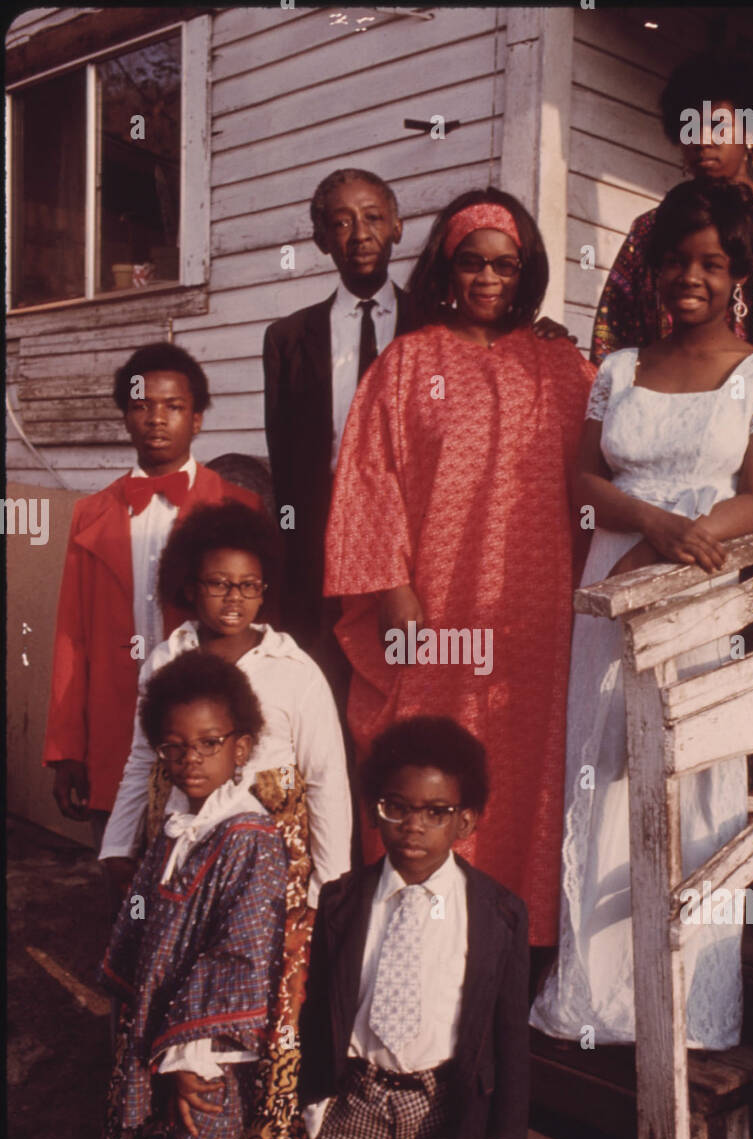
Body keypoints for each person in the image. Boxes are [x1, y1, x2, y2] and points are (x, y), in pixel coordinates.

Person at [530, 181, 753, 1050]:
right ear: (653, 270)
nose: (692, 276)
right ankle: (593, 1001)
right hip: (614, 580)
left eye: (712, 263)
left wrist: (682, 540)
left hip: (698, 586)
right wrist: (649, 525)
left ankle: (687, 1004)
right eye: (677, 260)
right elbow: (583, 482)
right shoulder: (617, 369)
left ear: (737, 275)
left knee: (692, 777)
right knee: (603, 762)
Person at [323, 188, 596, 951]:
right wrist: (392, 586)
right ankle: (412, 939)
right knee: (428, 755)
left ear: (526, 272)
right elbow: (367, 479)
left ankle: (518, 937)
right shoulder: (408, 362)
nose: (487, 279)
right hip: (436, 611)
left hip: (537, 614)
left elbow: (609, 467)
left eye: (505, 266)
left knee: (529, 767)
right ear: (446, 268)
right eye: (471, 262)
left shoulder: (563, 364)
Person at [98, 501, 352, 1139]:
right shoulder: (168, 655)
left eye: (248, 586)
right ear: (190, 586)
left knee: (270, 1030)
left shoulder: (292, 668)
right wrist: (116, 847)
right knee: (176, 996)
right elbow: (145, 761)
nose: (233, 599)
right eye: (216, 584)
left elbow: (326, 776)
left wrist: (328, 892)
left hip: (272, 862)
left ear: (265, 592)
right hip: (185, 839)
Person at [298, 716, 529, 1139]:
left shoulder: (498, 914)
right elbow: (319, 1007)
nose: (412, 827)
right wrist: (315, 1103)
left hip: (445, 1116)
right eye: (396, 807)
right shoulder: (342, 900)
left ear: (466, 819)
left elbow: (510, 1037)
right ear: (375, 807)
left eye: (436, 812)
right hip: (356, 1106)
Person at [590, 49, 753, 518]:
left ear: (752, 133)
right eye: (689, 130)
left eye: (718, 127)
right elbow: (617, 329)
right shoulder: (650, 231)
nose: (702, 142)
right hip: (670, 445)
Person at [98, 650, 288, 1139]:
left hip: (208, 1060)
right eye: (175, 748)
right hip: (168, 1041)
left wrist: (191, 1061)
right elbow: (147, 917)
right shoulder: (181, 826)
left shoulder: (249, 838)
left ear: (244, 745)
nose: (192, 760)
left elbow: (240, 953)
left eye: (210, 743)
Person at [43, 342, 261, 851]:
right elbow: (71, 639)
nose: (156, 420)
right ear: (125, 417)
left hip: (206, 730)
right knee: (122, 875)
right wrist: (66, 750)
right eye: (141, 406)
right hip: (115, 726)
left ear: (198, 419)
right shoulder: (90, 515)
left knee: (204, 874)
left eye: (174, 406)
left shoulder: (238, 506)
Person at [263, 168, 416, 666]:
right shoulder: (288, 339)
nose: (361, 234)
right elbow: (286, 465)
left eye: (373, 217)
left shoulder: (435, 323)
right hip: (324, 532)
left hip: (417, 529)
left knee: (410, 668)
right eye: (342, 223)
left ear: (397, 226)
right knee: (329, 669)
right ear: (321, 238)